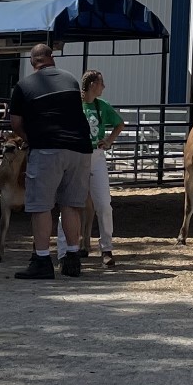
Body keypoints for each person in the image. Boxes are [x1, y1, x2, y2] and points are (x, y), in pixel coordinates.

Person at [5, 44, 94, 280]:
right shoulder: (71, 80)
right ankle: (72, 259)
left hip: (48, 149)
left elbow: (15, 124)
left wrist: (30, 138)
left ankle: (42, 260)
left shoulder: (24, 86)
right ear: (51, 59)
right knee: (70, 204)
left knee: (41, 206)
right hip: (80, 149)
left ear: (33, 62)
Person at [55, 69, 125, 269]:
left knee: (103, 203)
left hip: (96, 155)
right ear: (93, 84)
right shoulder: (74, 105)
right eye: (101, 83)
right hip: (76, 156)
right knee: (70, 204)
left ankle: (106, 248)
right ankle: (65, 251)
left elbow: (119, 123)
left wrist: (109, 140)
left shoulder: (101, 106)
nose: (103, 87)